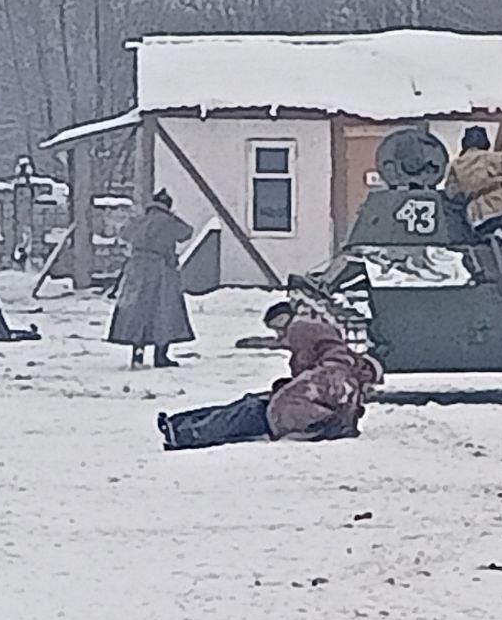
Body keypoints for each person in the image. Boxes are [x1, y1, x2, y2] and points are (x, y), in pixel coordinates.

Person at [158, 333, 381, 451]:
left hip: (282, 404)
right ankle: (184, 433)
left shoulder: (335, 369)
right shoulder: (347, 384)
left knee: (234, 412)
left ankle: (179, 424)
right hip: (287, 416)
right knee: (230, 424)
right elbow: (344, 423)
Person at [108, 189, 195, 368]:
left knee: (138, 312)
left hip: (137, 270)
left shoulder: (139, 220)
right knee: (164, 312)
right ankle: (161, 356)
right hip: (161, 269)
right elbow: (186, 232)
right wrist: (172, 216)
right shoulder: (168, 221)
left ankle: (137, 354)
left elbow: (124, 233)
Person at [444, 126, 502, 243]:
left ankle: (497, 234)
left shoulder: (456, 165)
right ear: (486, 143)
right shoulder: (499, 157)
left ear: (464, 144)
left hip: (480, 212)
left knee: (489, 237)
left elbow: (451, 193)